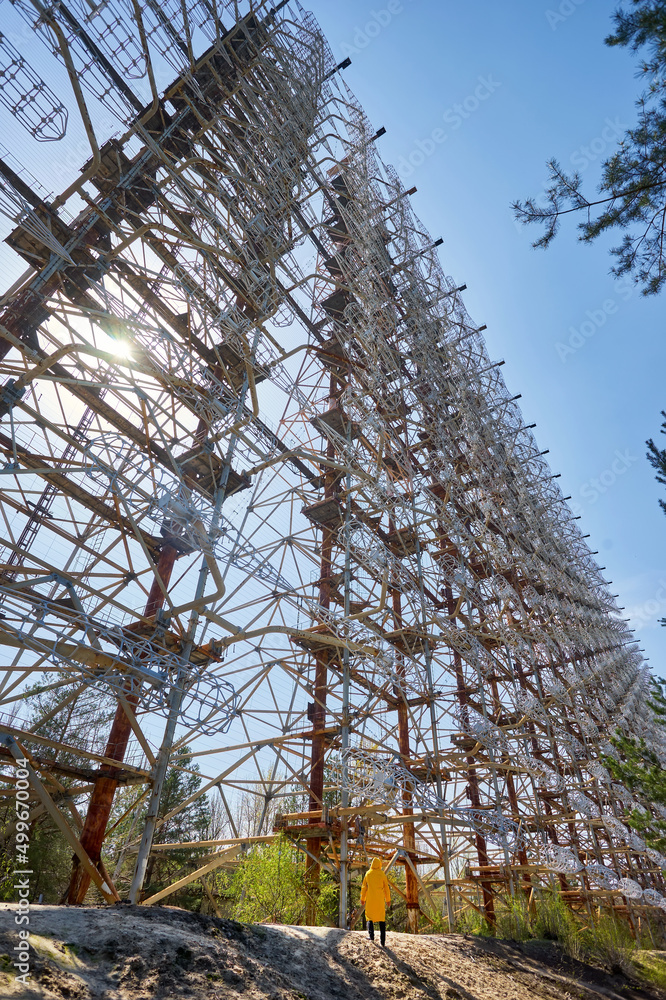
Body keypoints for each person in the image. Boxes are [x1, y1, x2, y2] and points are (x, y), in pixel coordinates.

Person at [360, 857, 391, 947]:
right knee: (381, 918)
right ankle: (383, 941)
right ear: (380, 864)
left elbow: (364, 887)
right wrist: (388, 900)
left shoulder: (368, 874)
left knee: (369, 916)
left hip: (370, 899)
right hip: (380, 900)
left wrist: (362, 898)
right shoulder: (382, 874)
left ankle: (371, 936)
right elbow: (386, 888)